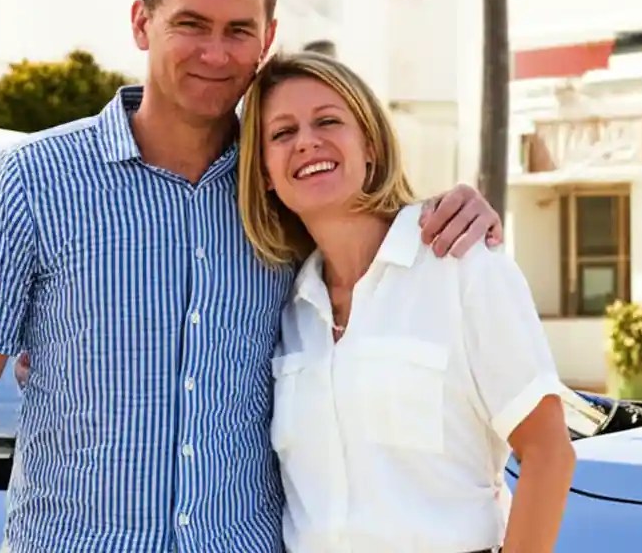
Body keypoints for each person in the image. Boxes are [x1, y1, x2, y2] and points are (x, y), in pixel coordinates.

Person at [0, 0, 504, 553]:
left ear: (267, 39)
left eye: (238, 30)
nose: (215, 53)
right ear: (142, 22)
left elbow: (382, 253)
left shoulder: (286, 186)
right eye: (191, 25)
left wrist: (452, 212)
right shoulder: (33, 181)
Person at [237, 50, 575, 553]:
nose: (306, 141)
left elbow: (548, 451)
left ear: (370, 146)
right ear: (264, 172)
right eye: (282, 133)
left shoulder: (461, 266)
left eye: (328, 121)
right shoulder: (286, 310)